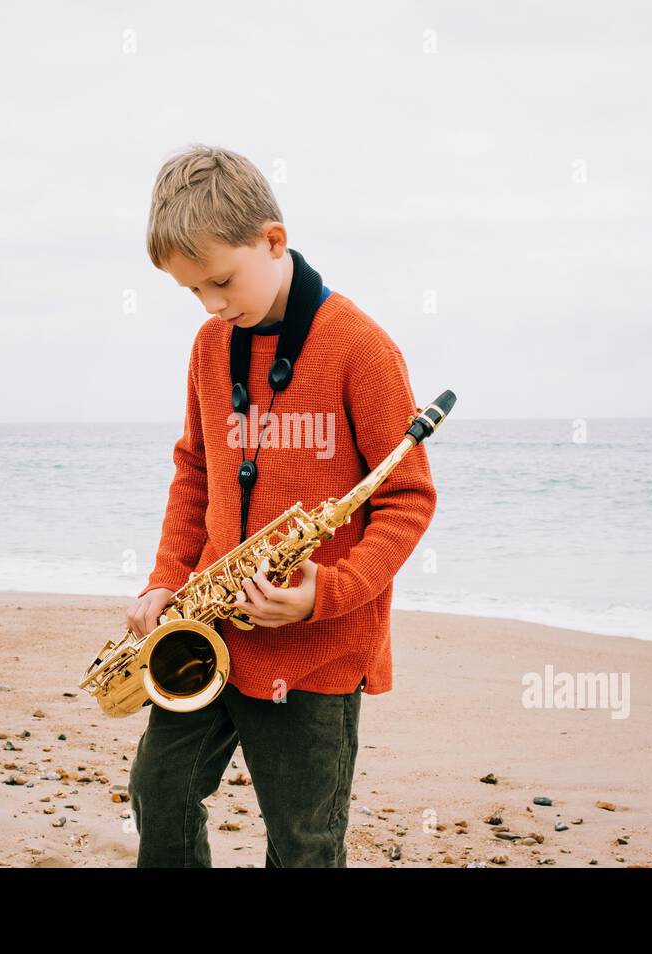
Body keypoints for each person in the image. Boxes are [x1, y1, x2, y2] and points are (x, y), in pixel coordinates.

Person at [125, 144, 438, 867]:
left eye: (222, 281)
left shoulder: (361, 348)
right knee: (159, 789)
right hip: (208, 633)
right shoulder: (211, 346)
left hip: (317, 652)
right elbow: (194, 471)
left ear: (273, 239)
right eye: (193, 291)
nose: (211, 305)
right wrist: (165, 577)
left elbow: (409, 498)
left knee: (304, 841)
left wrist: (324, 593)